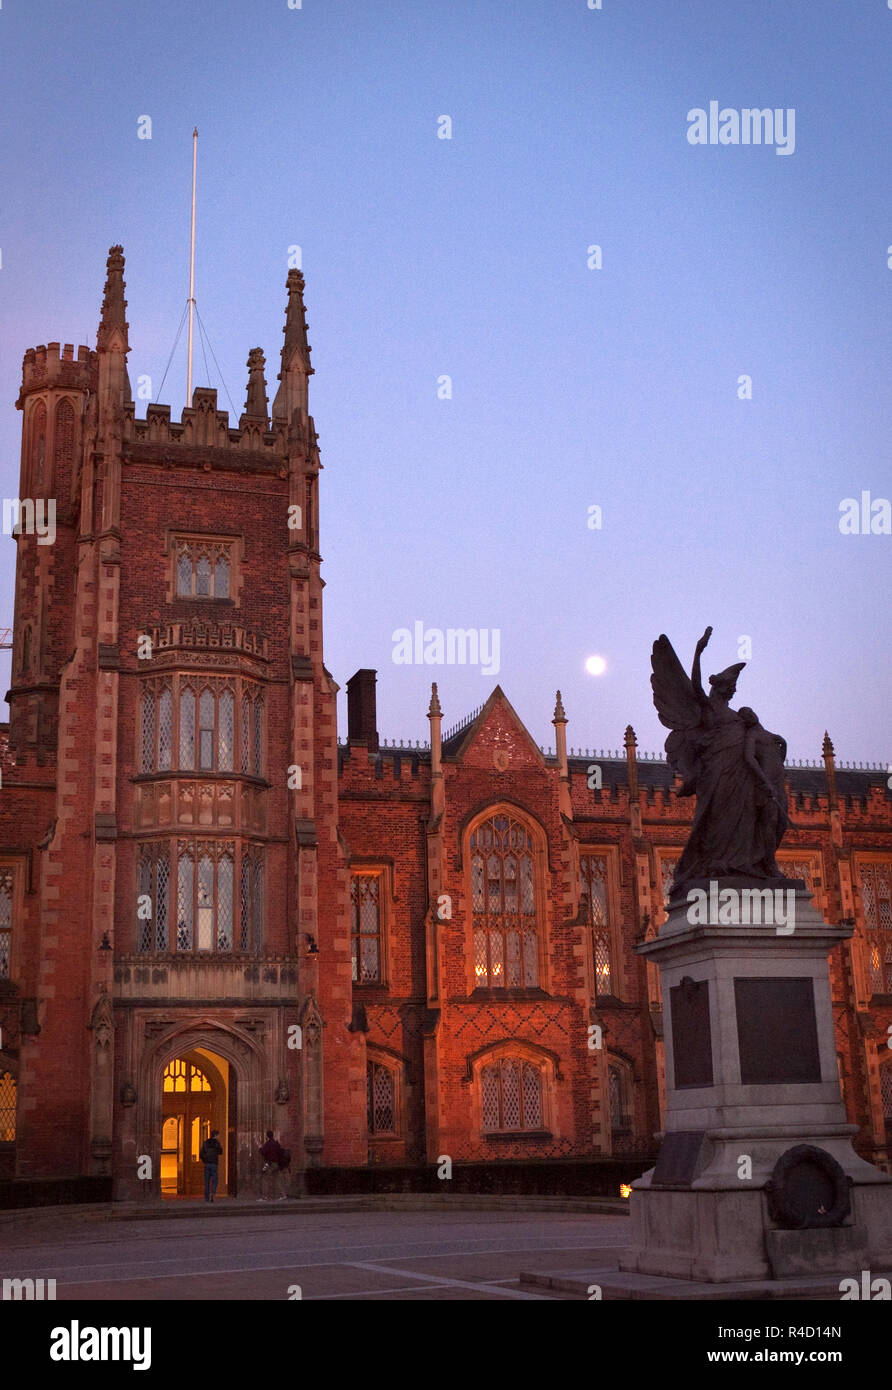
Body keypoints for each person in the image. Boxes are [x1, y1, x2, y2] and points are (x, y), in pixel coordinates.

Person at [259, 1130, 286, 1201]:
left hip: (269, 1163)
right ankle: (282, 1195)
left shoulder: (268, 1144)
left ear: (267, 1136)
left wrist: (260, 1148)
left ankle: (265, 1196)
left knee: (265, 1178)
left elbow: (263, 1152)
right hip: (276, 1163)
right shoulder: (276, 1143)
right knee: (277, 1179)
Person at [200, 1129, 223, 1203]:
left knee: (206, 1181)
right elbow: (220, 1152)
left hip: (207, 1164)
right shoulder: (217, 1143)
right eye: (218, 1135)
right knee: (214, 1180)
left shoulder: (205, 1143)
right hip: (214, 1164)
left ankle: (206, 1197)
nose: (219, 1137)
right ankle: (212, 1194)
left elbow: (201, 1154)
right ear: (215, 1135)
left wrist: (205, 1160)